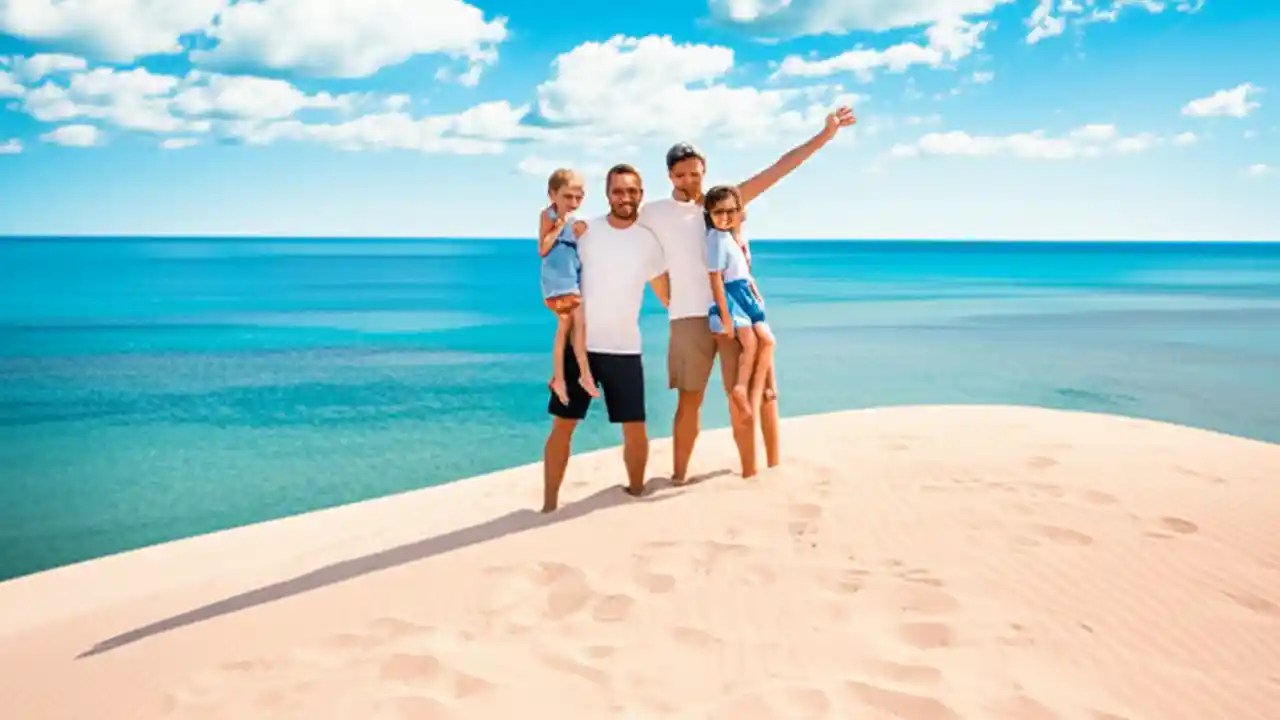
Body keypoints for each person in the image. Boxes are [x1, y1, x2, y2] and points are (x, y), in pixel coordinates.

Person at [640, 106, 856, 482]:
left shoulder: (727, 201)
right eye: (680, 173)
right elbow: (634, 248)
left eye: (695, 171)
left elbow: (781, 167)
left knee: (760, 393)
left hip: (738, 310)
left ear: (704, 169)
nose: (689, 179)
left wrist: (825, 135)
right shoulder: (653, 212)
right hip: (690, 316)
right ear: (669, 175)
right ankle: (678, 476)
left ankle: (762, 474)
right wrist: (668, 301)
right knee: (690, 399)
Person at [541, 163, 670, 513]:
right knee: (563, 425)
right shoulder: (585, 231)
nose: (625, 197)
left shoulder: (649, 242)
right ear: (607, 194)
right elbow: (557, 266)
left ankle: (637, 492)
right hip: (579, 346)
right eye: (618, 191)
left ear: (641, 194)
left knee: (635, 425)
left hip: (625, 347)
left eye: (632, 191)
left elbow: (666, 294)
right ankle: (549, 504)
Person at [703, 185, 774, 420]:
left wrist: (753, 287)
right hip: (733, 296)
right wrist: (725, 316)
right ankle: (742, 389)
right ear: (709, 215)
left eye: (730, 211)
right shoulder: (715, 240)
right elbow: (715, 278)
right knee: (755, 343)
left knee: (765, 341)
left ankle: (758, 387)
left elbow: (742, 268)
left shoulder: (730, 237)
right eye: (718, 213)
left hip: (744, 292)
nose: (725, 217)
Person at [537, 168, 598, 406]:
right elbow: (543, 249)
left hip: (571, 281)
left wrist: (577, 232)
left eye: (578, 197)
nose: (573, 202)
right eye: (568, 197)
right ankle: (584, 374)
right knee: (578, 327)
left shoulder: (574, 223)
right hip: (558, 284)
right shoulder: (549, 216)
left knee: (566, 330)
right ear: (553, 194)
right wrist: (560, 226)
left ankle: (559, 379)